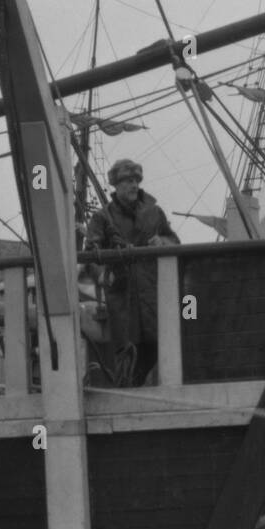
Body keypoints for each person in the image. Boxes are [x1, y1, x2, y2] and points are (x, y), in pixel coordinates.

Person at [85, 159, 179, 386]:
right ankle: (126, 391)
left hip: (151, 290)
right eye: (128, 181)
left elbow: (174, 241)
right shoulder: (102, 218)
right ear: (115, 185)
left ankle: (140, 389)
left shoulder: (154, 213)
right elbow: (90, 254)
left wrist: (162, 241)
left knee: (158, 343)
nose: (134, 185)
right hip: (123, 293)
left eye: (136, 180)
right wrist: (102, 275)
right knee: (127, 349)